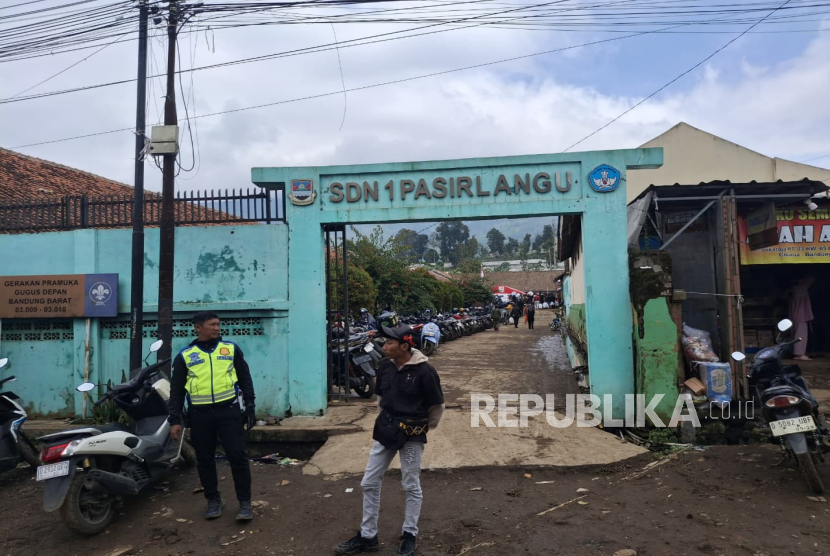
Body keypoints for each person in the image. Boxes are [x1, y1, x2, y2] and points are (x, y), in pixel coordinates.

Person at [335, 325, 445, 556]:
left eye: (389, 343)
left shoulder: (425, 372)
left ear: (404, 346)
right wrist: (389, 419)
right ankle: (367, 536)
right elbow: (381, 397)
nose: (384, 347)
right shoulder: (384, 366)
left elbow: (436, 407)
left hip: (412, 434)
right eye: (384, 343)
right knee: (369, 482)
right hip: (386, 430)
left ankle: (409, 534)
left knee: (410, 485)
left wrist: (421, 427)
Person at [168, 312, 257, 521]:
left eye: (218, 324)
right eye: (212, 325)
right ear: (198, 328)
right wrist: (174, 419)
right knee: (205, 459)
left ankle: (245, 503)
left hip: (229, 412)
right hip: (200, 416)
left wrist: (250, 406)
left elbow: (245, 378)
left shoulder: (230, 349)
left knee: (238, 456)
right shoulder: (185, 356)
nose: (217, 328)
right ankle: (214, 500)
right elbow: (177, 391)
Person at [786, 275, 816, 361]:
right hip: (800, 316)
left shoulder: (793, 289)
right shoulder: (800, 288)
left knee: (796, 334)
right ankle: (799, 354)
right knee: (800, 335)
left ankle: (797, 353)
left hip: (796, 316)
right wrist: (800, 280)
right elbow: (812, 278)